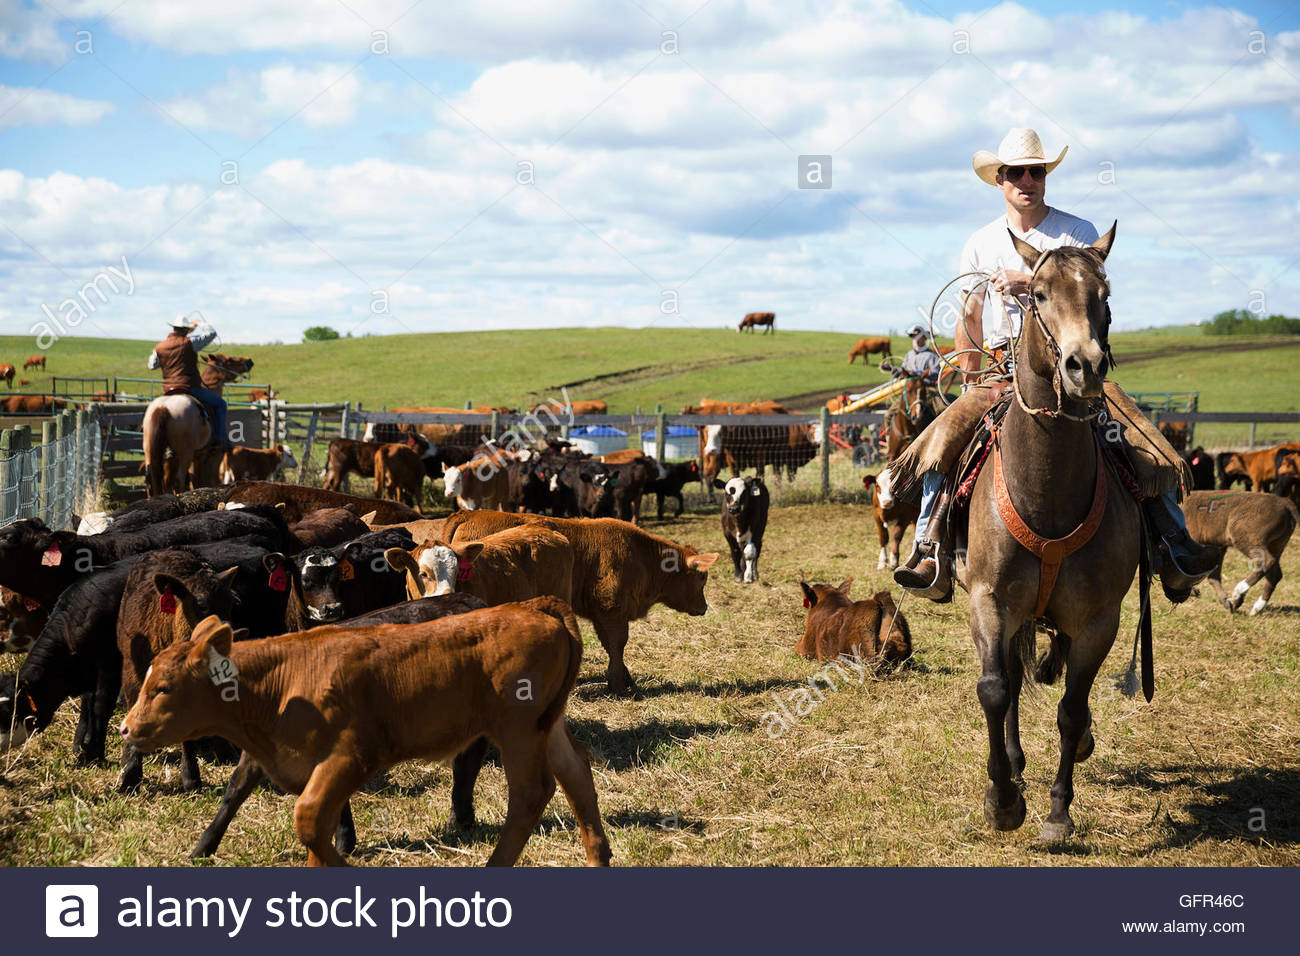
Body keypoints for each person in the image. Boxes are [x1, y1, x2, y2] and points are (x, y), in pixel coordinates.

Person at [888, 128, 1216, 603]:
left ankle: (1174, 542)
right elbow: (971, 318)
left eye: (1035, 171)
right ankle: (929, 548)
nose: (1027, 180)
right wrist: (970, 376)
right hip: (1000, 371)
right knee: (946, 436)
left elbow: (1092, 302)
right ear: (1000, 180)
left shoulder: (1077, 233)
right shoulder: (979, 243)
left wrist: (1033, 281)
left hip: (1074, 366)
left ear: (1045, 176)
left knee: (1136, 435)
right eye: (1016, 172)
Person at [148, 315, 230, 448]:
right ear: (186, 330)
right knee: (220, 404)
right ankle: (219, 440)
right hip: (190, 387)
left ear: (173, 328)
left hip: (168, 390)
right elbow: (212, 333)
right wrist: (200, 323)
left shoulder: (160, 347)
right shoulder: (190, 343)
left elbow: (152, 365)